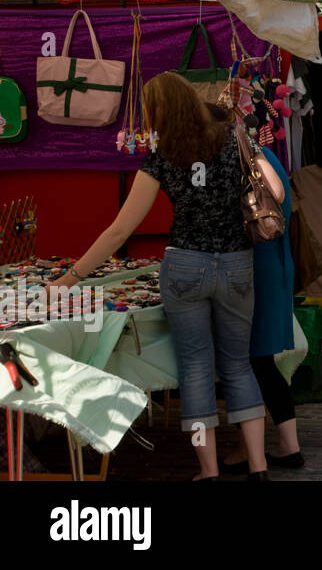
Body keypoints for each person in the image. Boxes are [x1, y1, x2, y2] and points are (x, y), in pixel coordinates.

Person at [50, 71, 282, 480]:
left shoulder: (161, 156)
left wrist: (70, 278)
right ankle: (259, 467)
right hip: (236, 264)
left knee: (194, 369)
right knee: (238, 366)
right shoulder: (234, 138)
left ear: (158, 112)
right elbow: (276, 194)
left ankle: (207, 471)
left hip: (185, 267)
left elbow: (120, 230)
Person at [208, 106, 303, 475]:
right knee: (261, 360)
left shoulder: (240, 160)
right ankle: (287, 444)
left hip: (254, 267)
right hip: (274, 264)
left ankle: (248, 449)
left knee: (248, 362)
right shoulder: (265, 156)